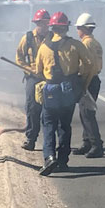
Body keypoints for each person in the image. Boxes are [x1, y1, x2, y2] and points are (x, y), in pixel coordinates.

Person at [33, 11, 91, 175]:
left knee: (49, 125)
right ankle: (63, 160)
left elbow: (38, 71)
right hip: (68, 90)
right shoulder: (75, 45)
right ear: (66, 27)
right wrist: (83, 82)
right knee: (65, 125)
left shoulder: (44, 47)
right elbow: (89, 65)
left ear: (52, 27)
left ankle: (49, 157)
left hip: (50, 90)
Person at [15, 8, 51, 151]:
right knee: (32, 109)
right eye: (41, 23)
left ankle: (50, 142)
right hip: (32, 78)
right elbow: (19, 57)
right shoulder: (27, 38)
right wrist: (28, 69)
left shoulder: (54, 38)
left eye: (46, 23)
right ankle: (31, 139)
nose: (43, 25)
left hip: (49, 79)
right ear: (36, 23)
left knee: (50, 110)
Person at [72, 12, 105, 158]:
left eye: (78, 28)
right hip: (94, 79)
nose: (77, 31)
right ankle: (87, 143)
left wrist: (81, 82)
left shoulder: (86, 44)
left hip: (88, 80)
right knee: (84, 113)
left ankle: (96, 145)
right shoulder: (95, 43)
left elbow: (86, 65)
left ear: (83, 29)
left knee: (87, 114)